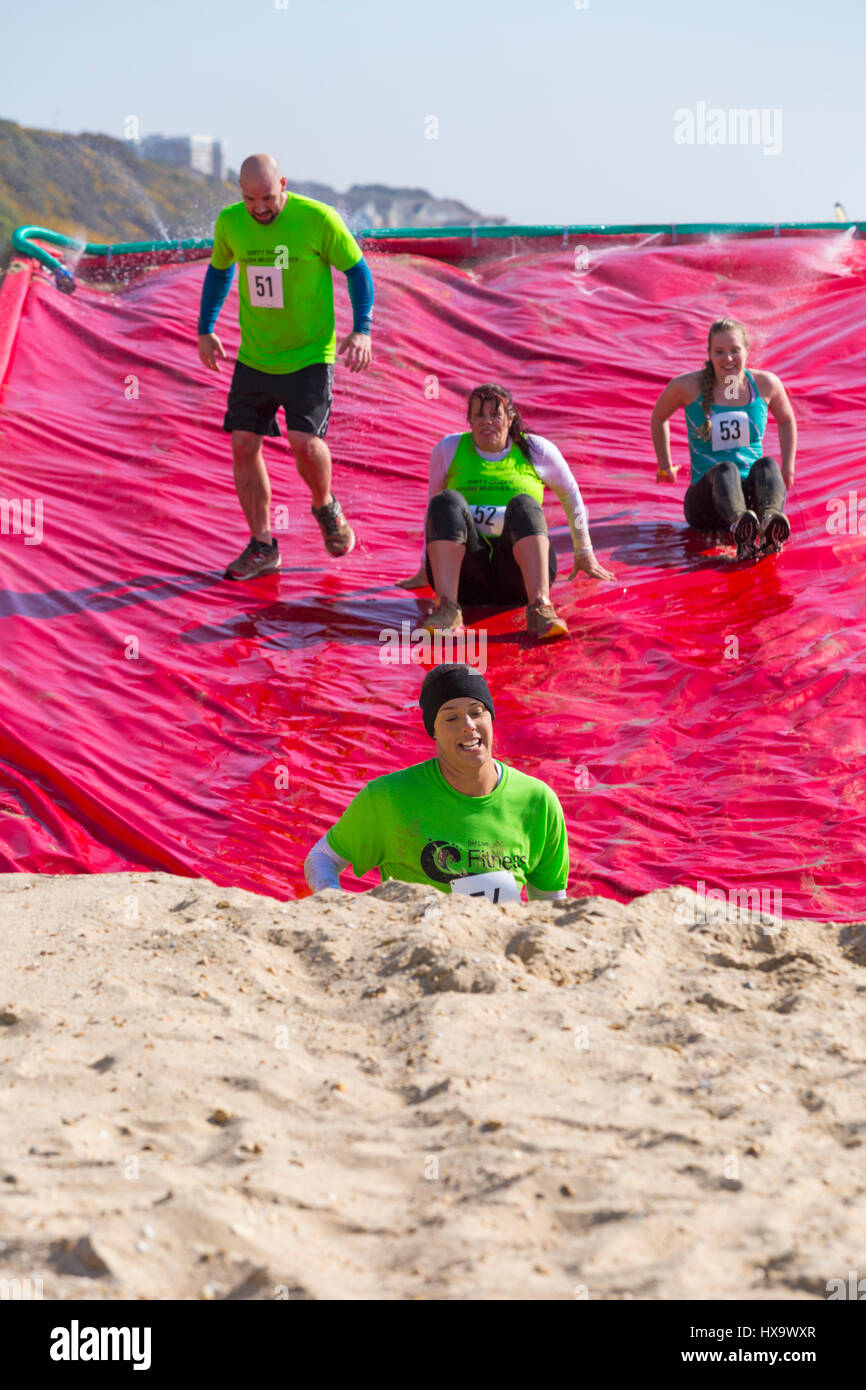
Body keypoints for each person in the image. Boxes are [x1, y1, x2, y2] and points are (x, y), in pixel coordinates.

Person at [197, 153, 374, 579]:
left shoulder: (318, 218)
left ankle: (325, 505)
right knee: (243, 443)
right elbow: (220, 272)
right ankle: (262, 546)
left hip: (310, 355)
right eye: (250, 198)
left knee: (303, 441)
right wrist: (206, 327)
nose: (259, 208)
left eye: (268, 198)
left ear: (284, 185)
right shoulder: (230, 222)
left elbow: (358, 271)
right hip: (255, 354)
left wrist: (362, 328)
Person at [304, 664, 569, 902]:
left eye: (477, 712)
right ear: (434, 731)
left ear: (491, 718)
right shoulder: (389, 797)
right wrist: (336, 901)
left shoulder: (538, 802)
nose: (468, 725)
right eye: (451, 718)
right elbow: (322, 857)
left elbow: (549, 902)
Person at [398, 384, 613, 641]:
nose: (487, 422)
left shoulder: (536, 449)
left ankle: (540, 608)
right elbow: (433, 512)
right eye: (479, 415)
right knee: (446, 501)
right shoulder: (448, 449)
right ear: (469, 420)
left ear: (510, 418)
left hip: (517, 579)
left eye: (495, 415)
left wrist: (585, 552)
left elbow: (571, 494)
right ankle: (447, 609)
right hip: (467, 580)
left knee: (524, 504)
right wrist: (425, 565)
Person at [650, 318, 796, 560]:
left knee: (768, 465)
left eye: (734, 351)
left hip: (749, 497)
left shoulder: (765, 384)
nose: (727, 358)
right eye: (719, 352)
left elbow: (786, 420)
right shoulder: (688, 386)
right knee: (726, 469)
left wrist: (788, 467)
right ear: (709, 354)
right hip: (705, 504)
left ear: (746, 352)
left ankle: (769, 521)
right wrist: (664, 465)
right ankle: (741, 524)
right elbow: (659, 416)